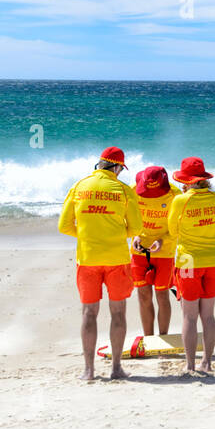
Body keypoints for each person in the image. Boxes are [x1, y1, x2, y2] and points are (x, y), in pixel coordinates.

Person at [57, 146, 140, 381]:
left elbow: (64, 226)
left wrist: (88, 235)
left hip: (88, 258)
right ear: (116, 168)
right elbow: (135, 228)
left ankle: (89, 370)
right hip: (117, 259)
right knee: (118, 312)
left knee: (89, 313)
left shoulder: (79, 186)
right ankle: (116, 368)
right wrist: (111, 233)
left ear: (99, 164)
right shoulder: (124, 191)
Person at [167, 156, 215, 374]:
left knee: (189, 315)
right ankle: (207, 362)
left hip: (188, 259)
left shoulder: (181, 201)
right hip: (213, 258)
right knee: (208, 315)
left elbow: (173, 231)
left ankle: (190, 365)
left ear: (188, 180)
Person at [130, 165, 178, 336]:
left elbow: (178, 228)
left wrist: (161, 240)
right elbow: (128, 218)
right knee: (143, 296)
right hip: (139, 249)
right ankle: (149, 338)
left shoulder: (175, 195)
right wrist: (135, 236)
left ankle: (162, 339)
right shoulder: (133, 190)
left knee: (162, 295)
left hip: (165, 250)